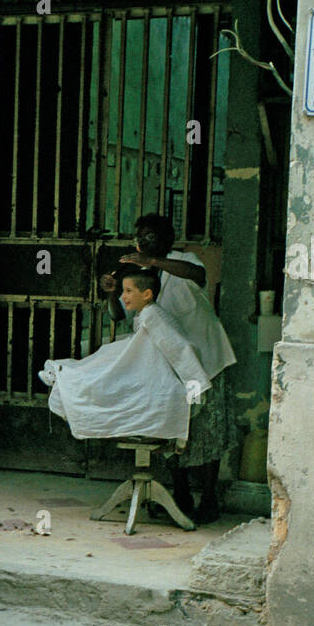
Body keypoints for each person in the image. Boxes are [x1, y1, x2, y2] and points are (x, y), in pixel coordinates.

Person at [102, 213, 238, 522]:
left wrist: (152, 261)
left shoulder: (183, 261)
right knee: (174, 427)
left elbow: (197, 274)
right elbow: (117, 315)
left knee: (208, 435)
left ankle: (209, 500)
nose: (144, 242)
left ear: (166, 239)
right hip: (170, 367)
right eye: (141, 237)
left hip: (207, 359)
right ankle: (180, 495)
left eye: (150, 236)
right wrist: (112, 290)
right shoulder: (136, 274)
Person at [41, 267, 211, 442]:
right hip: (149, 374)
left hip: (155, 380)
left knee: (89, 380)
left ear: (146, 294)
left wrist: (195, 393)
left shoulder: (153, 315)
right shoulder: (147, 313)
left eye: (128, 291)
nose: (123, 296)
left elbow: (180, 351)